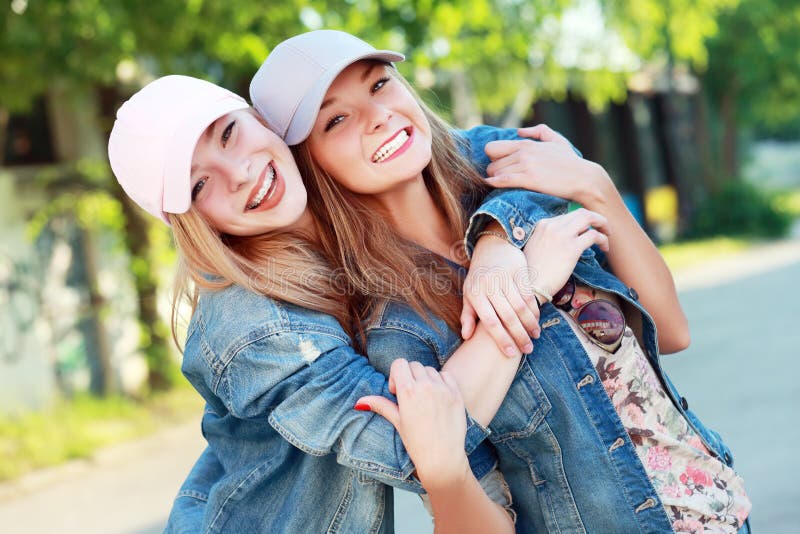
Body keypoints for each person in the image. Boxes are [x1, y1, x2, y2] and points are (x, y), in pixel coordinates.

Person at [250, 29, 752, 533]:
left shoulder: (517, 184)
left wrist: (594, 186)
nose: (377, 115)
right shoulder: (397, 331)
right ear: (309, 167)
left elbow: (671, 332)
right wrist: (530, 284)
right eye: (336, 119)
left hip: (723, 512)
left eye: (379, 85)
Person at [108, 75, 600, 533]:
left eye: (229, 134)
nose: (236, 172)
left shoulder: (328, 179)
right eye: (199, 185)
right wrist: (525, 287)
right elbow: (412, 447)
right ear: (193, 223)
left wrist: (494, 239)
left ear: (259, 120)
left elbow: (502, 155)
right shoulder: (252, 326)